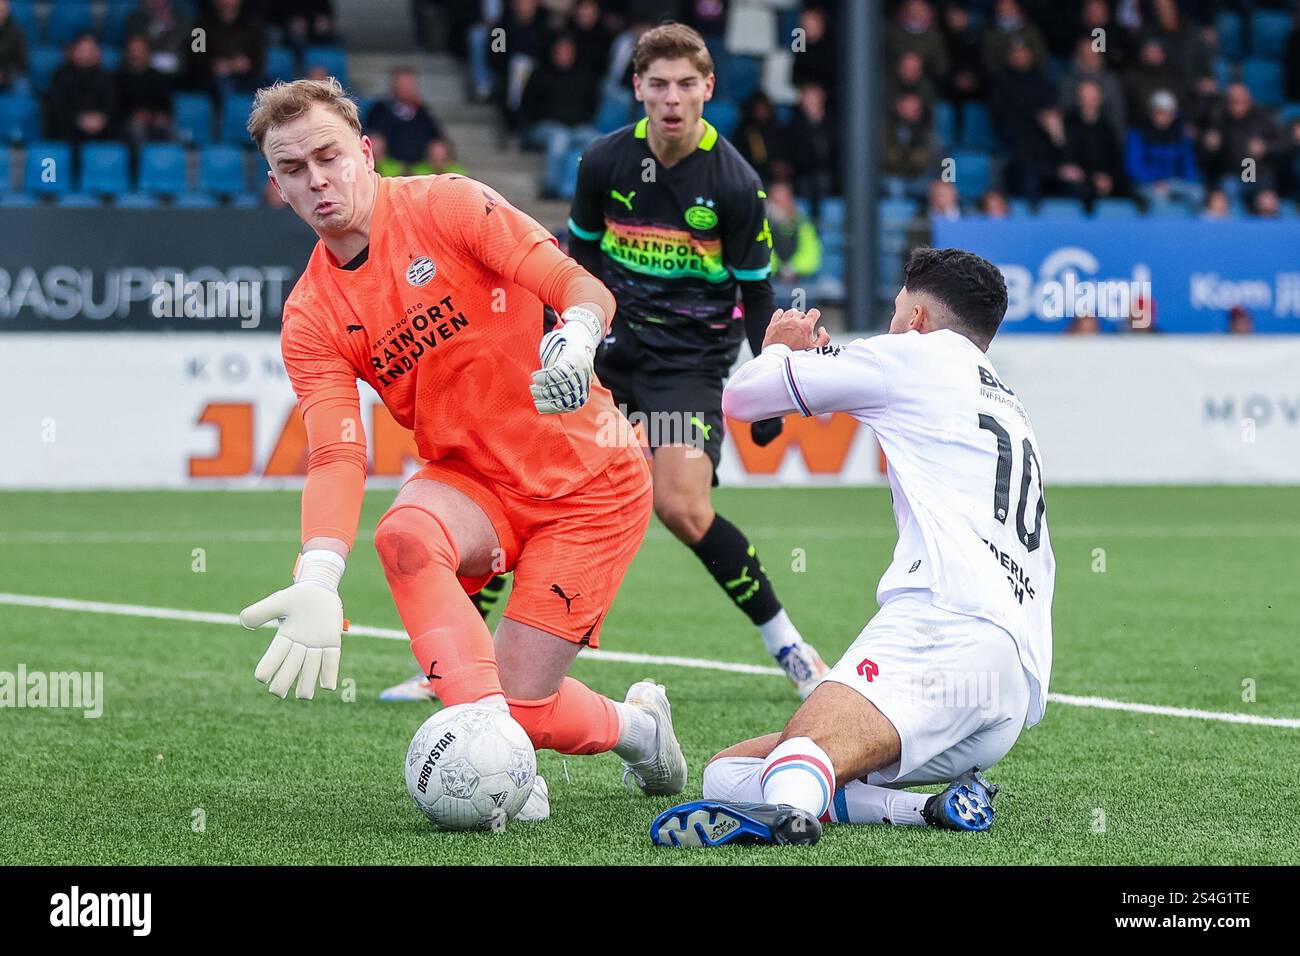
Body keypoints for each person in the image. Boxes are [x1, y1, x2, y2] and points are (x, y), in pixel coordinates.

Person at [239, 78, 687, 821]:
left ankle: (640, 731)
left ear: (366, 151)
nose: (317, 179)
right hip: (473, 482)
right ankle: (502, 749)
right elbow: (336, 454)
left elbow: (578, 284)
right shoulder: (311, 315)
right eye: (293, 168)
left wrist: (575, 336)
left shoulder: (447, 204)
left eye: (329, 155)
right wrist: (319, 573)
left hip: (590, 486)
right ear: (276, 185)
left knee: (527, 708)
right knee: (404, 535)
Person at [650, 248, 1055, 847]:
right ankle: (929, 810)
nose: (891, 324)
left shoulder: (913, 354)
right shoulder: (1006, 402)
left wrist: (781, 345)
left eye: (895, 310)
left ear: (917, 315)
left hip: (944, 627)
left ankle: (785, 819)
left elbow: (742, 399)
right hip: (1007, 687)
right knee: (729, 774)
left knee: (802, 757)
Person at [567, 23, 830, 697]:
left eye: (687, 84)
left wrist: (770, 386)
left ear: (709, 88)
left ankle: (790, 646)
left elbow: (757, 292)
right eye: (658, 84)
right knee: (529, 482)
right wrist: (579, 333)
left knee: (682, 508)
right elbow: (581, 257)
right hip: (611, 352)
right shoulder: (602, 162)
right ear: (638, 89)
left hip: (686, 369)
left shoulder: (737, 186)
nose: (673, 98)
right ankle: (451, 664)